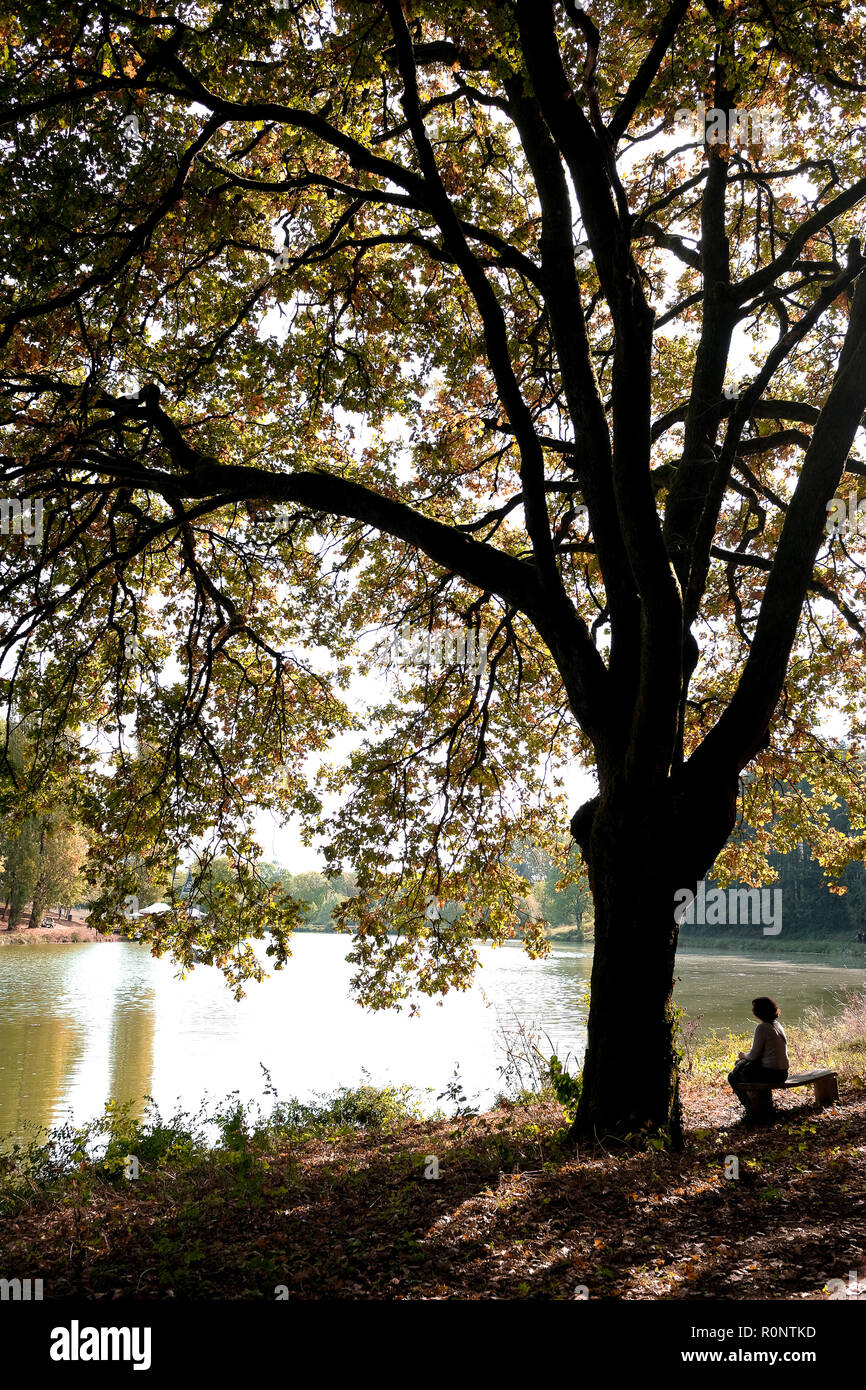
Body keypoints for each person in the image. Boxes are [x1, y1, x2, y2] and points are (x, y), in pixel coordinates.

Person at [728, 996, 789, 1104]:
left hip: (772, 1074)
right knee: (741, 1066)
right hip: (783, 1073)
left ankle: (749, 1106)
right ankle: (756, 1104)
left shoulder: (762, 1028)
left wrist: (743, 1056)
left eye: (754, 1008)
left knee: (732, 1077)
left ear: (760, 1011)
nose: (752, 1010)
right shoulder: (777, 1025)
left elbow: (753, 1056)